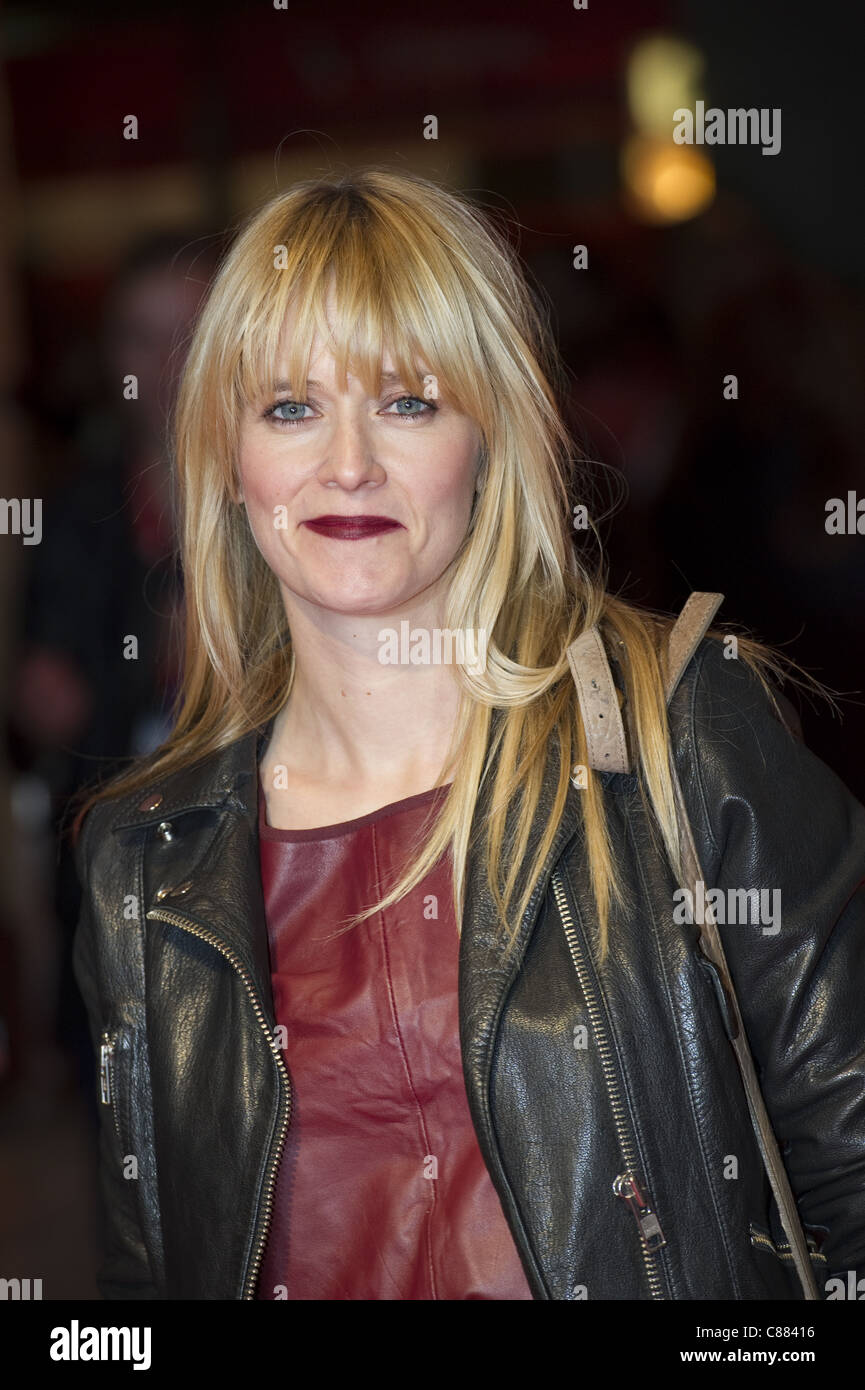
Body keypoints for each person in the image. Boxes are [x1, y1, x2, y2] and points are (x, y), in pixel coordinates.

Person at [69, 166, 865, 1301]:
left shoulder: (674, 733)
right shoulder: (141, 859)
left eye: (407, 400)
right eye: (289, 407)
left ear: (486, 436)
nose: (348, 462)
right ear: (228, 462)